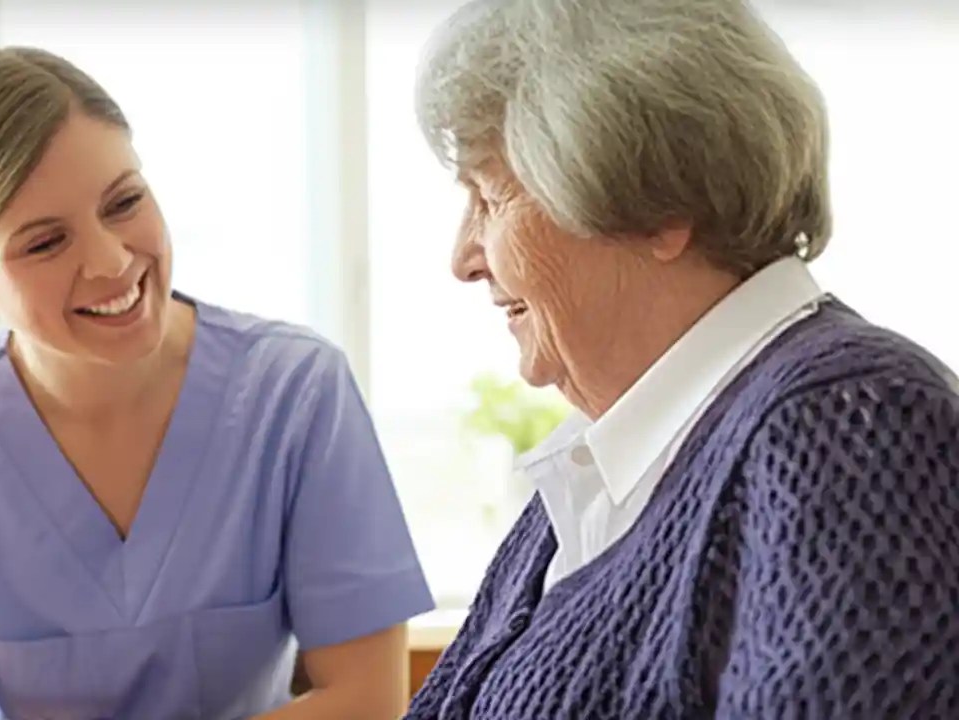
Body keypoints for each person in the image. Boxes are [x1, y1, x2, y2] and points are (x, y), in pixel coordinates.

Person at [405, 0, 959, 717]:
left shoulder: (856, 433)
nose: (462, 259)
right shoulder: (605, 466)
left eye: (489, 196)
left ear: (657, 207)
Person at [0, 46, 434, 720]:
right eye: (45, 244)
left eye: (123, 202)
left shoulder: (296, 395)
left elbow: (365, 699)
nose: (111, 262)